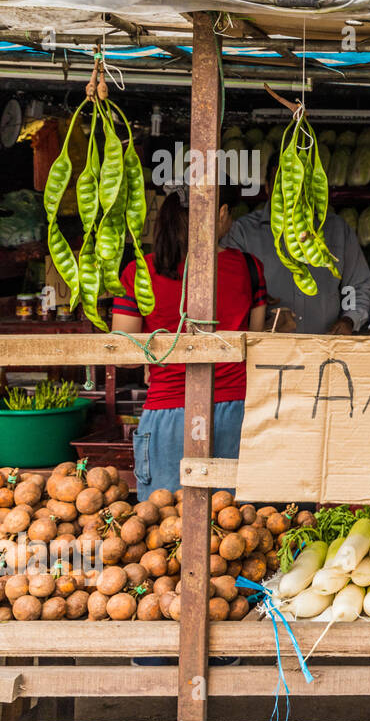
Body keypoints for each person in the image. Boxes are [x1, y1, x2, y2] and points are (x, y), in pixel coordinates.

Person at [112, 183, 267, 500]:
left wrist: (149, 359)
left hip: (167, 413)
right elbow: (257, 345)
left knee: (162, 526)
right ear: (222, 214)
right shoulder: (249, 268)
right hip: (236, 411)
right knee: (237, 526)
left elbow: (124, 354)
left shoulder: (138, 272)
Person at [221, 197, 370, 335]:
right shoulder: (242, 231)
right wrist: (256, 294)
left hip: (325, 350)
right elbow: (227, 290)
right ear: (268, 188)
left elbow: (357, 287)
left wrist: (350, 319)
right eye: (283, 185)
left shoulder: (338, 229)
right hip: (267, 352)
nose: (292, 192)